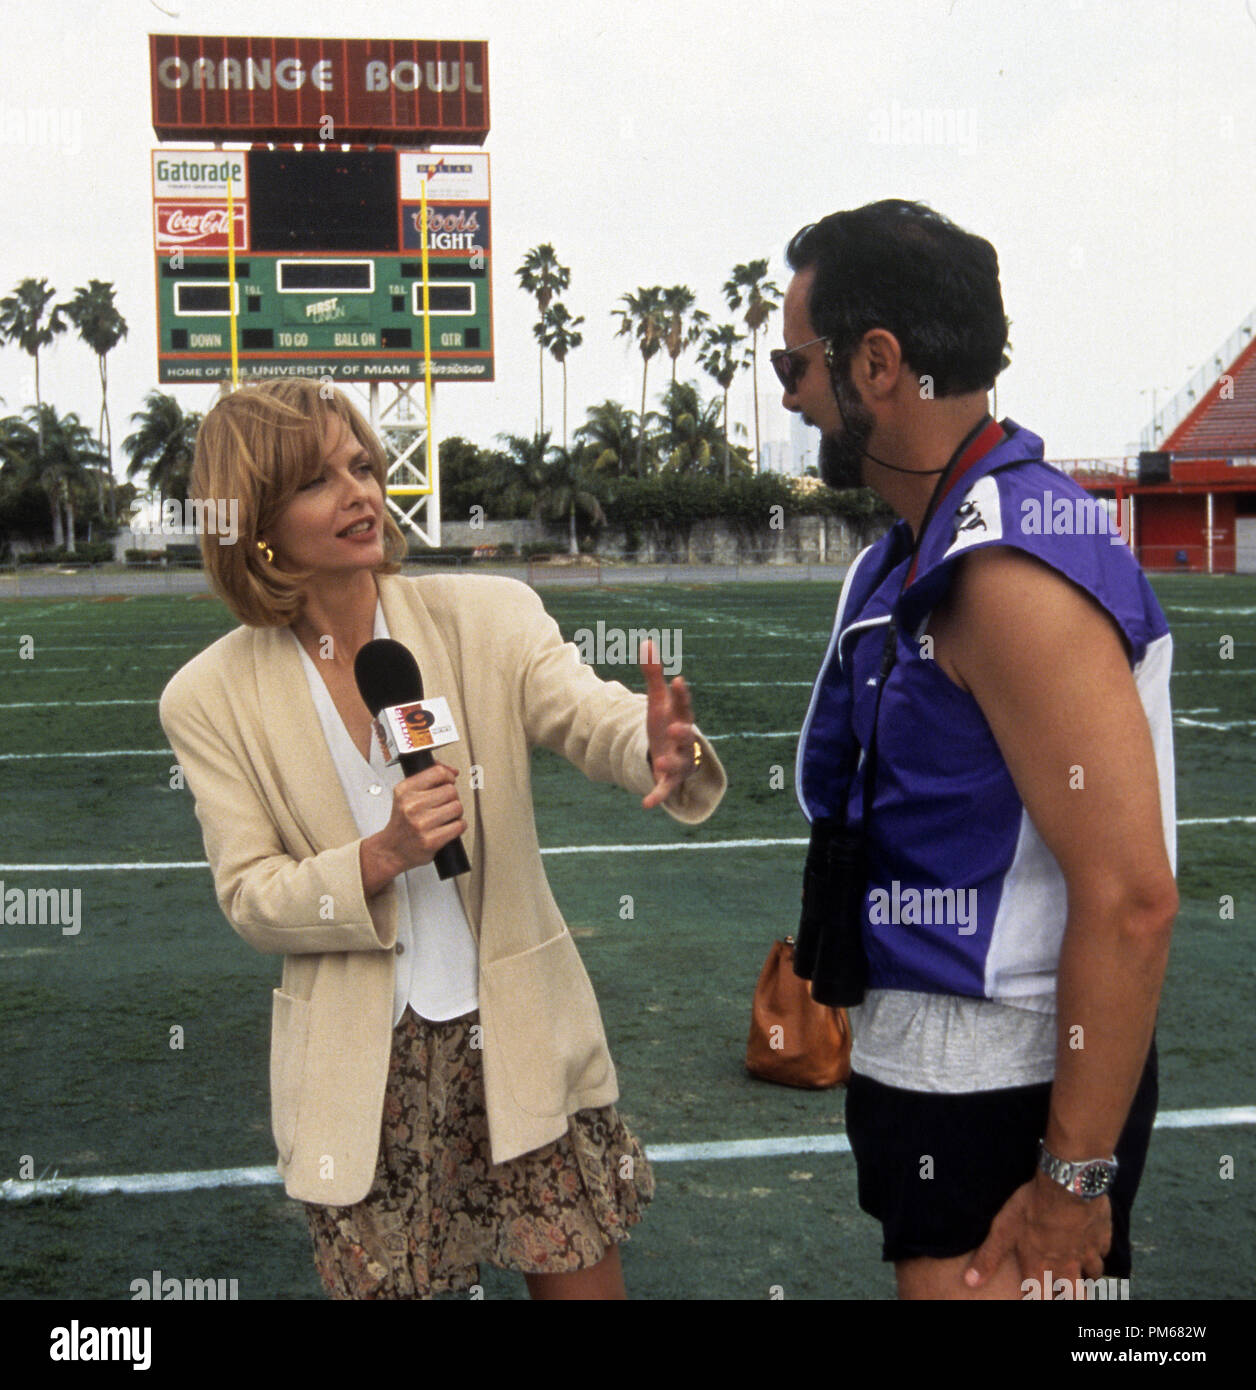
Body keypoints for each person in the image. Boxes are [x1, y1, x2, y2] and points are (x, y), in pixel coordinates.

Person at [158, 378, 726, 1300]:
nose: (361, 494)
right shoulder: (207, 698)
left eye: (363, 466)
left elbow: (588, 714)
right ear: (255, 522)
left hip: (521, 1035)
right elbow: (251, 895)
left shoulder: (487, 616)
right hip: (359, 1075)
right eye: (318, 481)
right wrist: (375, 860)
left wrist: (655, 745)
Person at [778, 201, 1177, 1300]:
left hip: (1004, 1078)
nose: (786, 391)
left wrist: (1070, 1177)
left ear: (876, 362)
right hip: (941, 1063)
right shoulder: (920, 549)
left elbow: (1131, 895)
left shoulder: (1007, 568)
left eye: (794, 361)